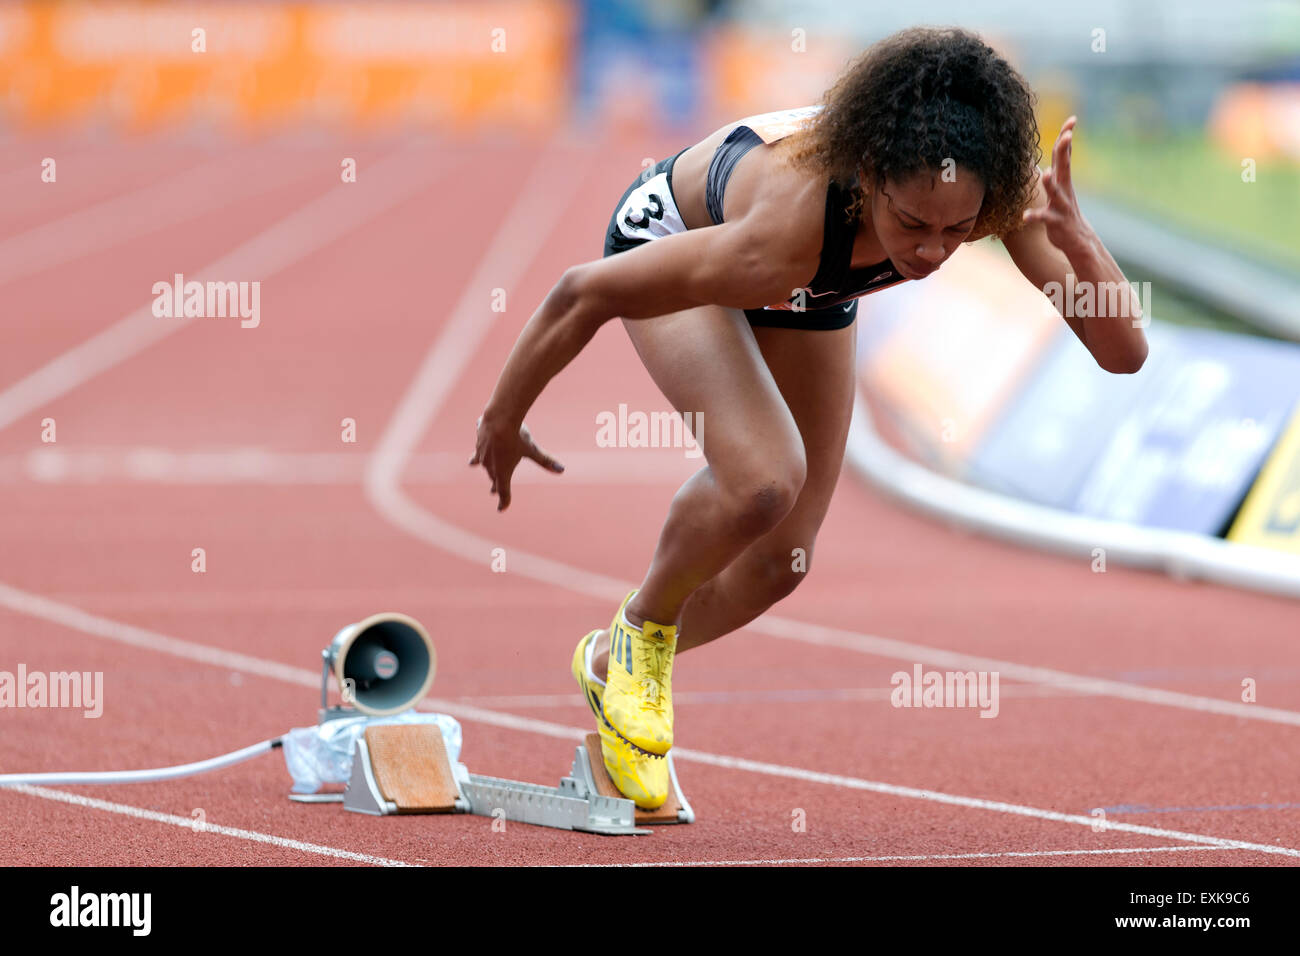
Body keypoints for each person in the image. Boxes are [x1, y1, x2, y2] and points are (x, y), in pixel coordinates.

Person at [470, 26, 1149, 808]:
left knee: (780, 564)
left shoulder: (988, 187)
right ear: (868, 178)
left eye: (957, 232)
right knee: (763, 481)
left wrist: (1078, 240)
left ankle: (604, 664)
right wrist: (505, 415)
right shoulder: (782, 231)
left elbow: (1123, 352)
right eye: (912, 225)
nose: (932, 254)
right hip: (690, 244)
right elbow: (581, 292)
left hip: (812, 289)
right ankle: (641, 635)